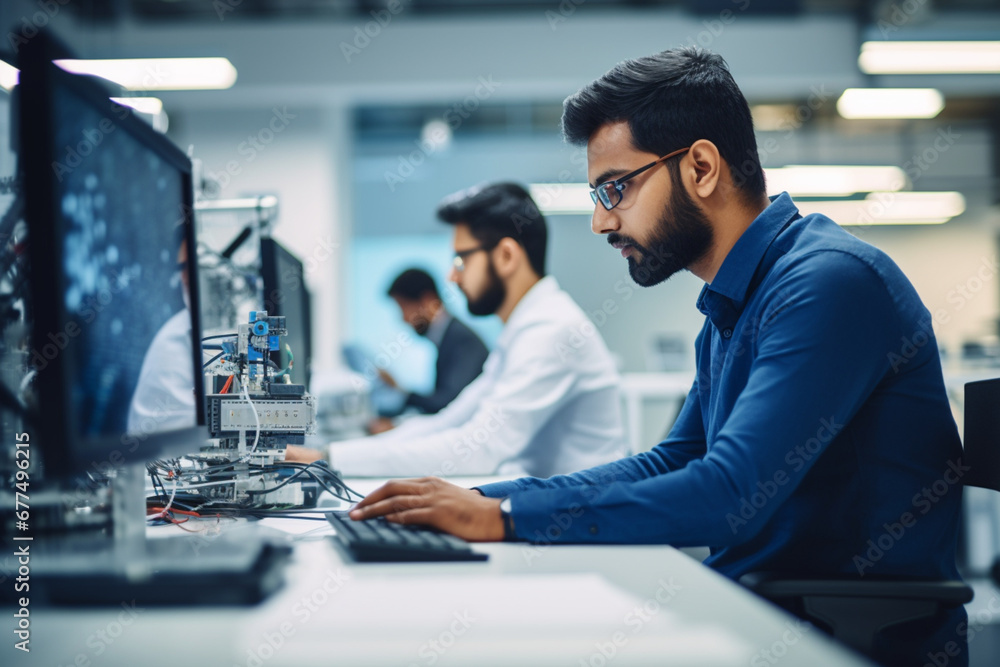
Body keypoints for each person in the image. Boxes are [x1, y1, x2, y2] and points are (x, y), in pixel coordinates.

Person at [345, 48, 967, 665]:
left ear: (700, 167)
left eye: (614, 188)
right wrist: (483, 498)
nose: (599, 222)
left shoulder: (829, 283)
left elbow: (729, 494)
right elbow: (672, 460)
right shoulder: (732, 304)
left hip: (830, 635)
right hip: (759, 608)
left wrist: (503, 517)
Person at [286, 183, 627, 477]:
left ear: (507, 256)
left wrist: (331, 457)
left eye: (461, 260)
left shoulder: (551, 330)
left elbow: (479, 448)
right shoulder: (524, 329)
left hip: (582, 529)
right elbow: (449, 421)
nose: (452, 276)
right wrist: (335, 453)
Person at [370, 268, 489, 430]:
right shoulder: (448, 336)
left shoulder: (462, 340)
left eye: (404, 307)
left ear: (427, 301)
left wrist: (402, 397)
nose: (403, 319)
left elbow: (448, 403)